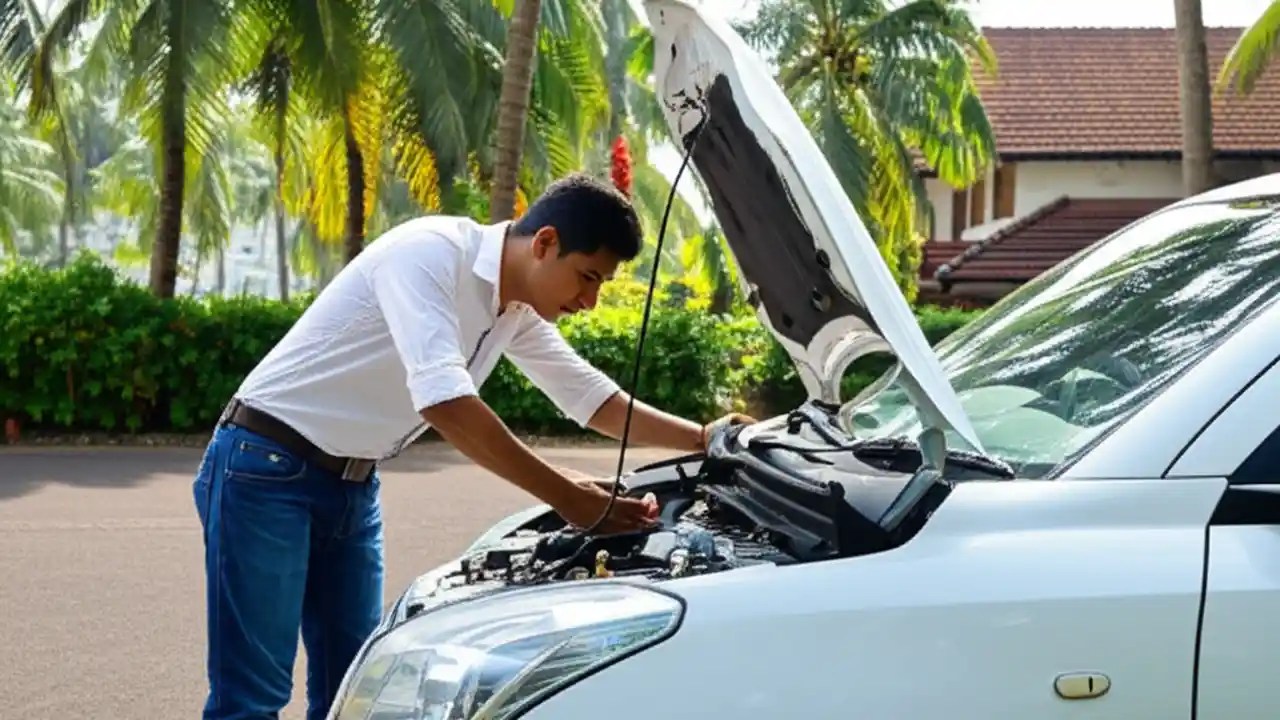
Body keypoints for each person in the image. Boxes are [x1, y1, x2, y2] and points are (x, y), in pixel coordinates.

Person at [191, 172, 755, 720]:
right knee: (253, 698)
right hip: (264, 467)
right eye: (588, 277)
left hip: (353, 486)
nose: (591, 301)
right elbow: (443, 401)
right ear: (545, 243)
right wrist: (568, 497)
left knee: (354, 690)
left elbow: (588, 397)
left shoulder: (514, 309)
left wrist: (704, 438)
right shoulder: (429, 255)